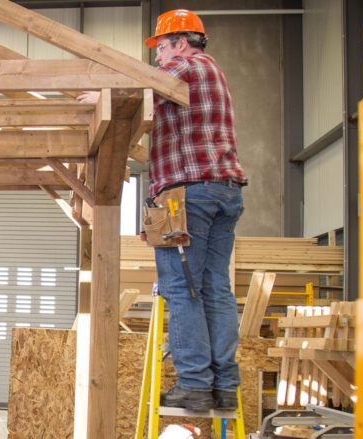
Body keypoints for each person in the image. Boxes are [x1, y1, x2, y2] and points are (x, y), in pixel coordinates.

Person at [97, 9, 246, 411]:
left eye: (161, 48)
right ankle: (223, 386)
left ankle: (196, 385)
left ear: (181, 42)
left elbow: (136, 81)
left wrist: (98, 95)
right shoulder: (207, 74)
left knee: (182, 290)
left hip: (190, 195)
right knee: (214, 288)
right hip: (222, 192)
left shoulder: (188, 66)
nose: (159, 57)